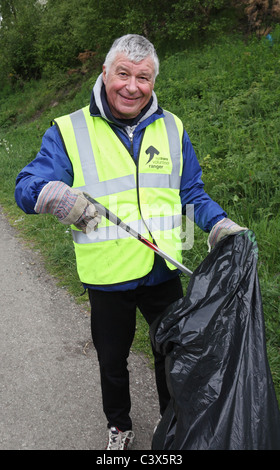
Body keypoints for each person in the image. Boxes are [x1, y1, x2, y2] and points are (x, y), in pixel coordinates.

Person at [15, 34, 245, 450]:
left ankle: (170, 423)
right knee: (112, 361)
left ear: (153, 82)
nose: (132, 86)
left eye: (143, 77)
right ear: (105, 73)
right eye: (123, 74)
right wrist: (54, 196)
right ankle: (119, 427)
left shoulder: (172, 127)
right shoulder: (70, 130)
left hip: (163, 268)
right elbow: (26, 185)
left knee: (173, 354)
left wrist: (220, 225)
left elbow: (191, 193)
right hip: (108, 275)